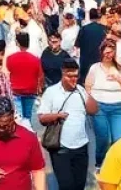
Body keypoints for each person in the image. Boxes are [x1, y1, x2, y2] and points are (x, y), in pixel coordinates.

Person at [38, 59, 96, 190]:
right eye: (70, 76)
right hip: (60, 148)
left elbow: (93, 110)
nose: (73, 79)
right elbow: (42, 118)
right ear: (63, 73)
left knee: (79, 185)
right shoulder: (51, 92)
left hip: (81, 147)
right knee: (66, 186)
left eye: (76, 76)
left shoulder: (80, 90)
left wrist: (88, 92)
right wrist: (57, 116)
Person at [84, 39, 121, 169]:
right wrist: (91, 100)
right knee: (103, 138)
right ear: (101, 53)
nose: (108, 55)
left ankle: (116, 165)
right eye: (106, 52)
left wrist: (117, 77)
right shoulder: (95, 68)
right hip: (99, 106)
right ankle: (100, 163)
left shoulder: (119, 67)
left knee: (118, 138)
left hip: (118, 106)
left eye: (111, 52)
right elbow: (88, 85)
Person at [7, 31, 44, 120]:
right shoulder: (36, 59)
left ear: (17, 43)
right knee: (28, 117)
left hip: (15, 91)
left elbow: (9, 71)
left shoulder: (10, 58)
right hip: (30, 91)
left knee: (18, 119)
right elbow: (41, 75)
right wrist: (40, 88)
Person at [75, 9, 107, 77]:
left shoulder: (83, 29)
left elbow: (77, 45)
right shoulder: (104, 29)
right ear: (98, 16)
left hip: (86, 61)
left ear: (89, 16)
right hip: (100, 60)